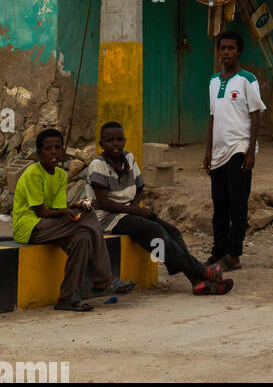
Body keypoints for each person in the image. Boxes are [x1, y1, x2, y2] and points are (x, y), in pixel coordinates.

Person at [88, 121, 232, 296]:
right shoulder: (98, 164)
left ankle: (196, 281)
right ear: (101, 145)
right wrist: (136, 212)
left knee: (173, 232)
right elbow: (103, 203)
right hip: (107, 217)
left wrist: (134, 208)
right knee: (156, 232)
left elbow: (140, 189)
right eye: (110, 141)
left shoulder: (129, 158)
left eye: (119, 139)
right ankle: (200, 271)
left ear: (124, 141)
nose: (115, 144)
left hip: (127, 212)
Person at [12, 126, 135, 312]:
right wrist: (66, 212)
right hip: (29, 227)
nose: (54, 152)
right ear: (39, 153)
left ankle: (68, 298)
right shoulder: (33, 173)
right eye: (48, 149)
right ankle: (104, 279)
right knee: (89, 215)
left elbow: (59, 209)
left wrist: (73, 207)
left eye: (58, 148)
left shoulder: (61, 175)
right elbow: (42, 212)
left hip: (50, 226)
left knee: (83, 237)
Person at [203, 29, 265, 270]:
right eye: (222, 48)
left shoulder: (248, 80)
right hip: (218, 152)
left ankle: (234, 254)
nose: (226, 52)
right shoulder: (213, 81)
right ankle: (218, 252)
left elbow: (255, 114)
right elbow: (212, 116)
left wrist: (250, 150)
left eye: (230, 48)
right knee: (219, 205)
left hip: (239, 148)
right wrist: (207, 150)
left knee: (238, 204)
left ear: (239, 51)